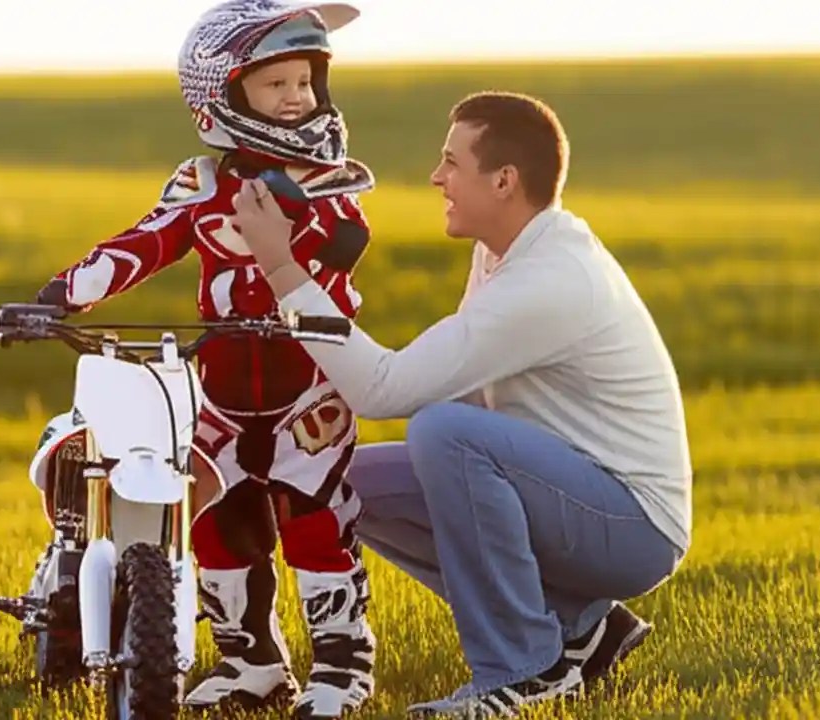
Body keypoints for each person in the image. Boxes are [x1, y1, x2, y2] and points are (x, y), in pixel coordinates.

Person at [231, 90, 692, 717]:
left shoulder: (549, 280)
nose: (436, 177)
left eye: (452, 163)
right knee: (339, 483)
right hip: (578, 497)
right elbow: (447, 382)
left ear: (503, 181)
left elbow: (385, 391)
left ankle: (525, 671)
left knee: (444, 432)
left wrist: (282, 269)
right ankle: (579, 626)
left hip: (634, 528)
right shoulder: (504, 251)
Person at [25, 1, 380, 717]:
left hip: (307, 388)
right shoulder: (200, 183)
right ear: (222, 96)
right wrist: (67, 293)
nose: (297, 98)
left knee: (315, 524)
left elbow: (347, 235)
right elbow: (145, 241)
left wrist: (301, 220)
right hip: (216, 391)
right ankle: (250, 661)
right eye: (275, 83)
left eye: (306, 81)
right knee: (218, 525)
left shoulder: (330, 180)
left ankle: (343, 667)